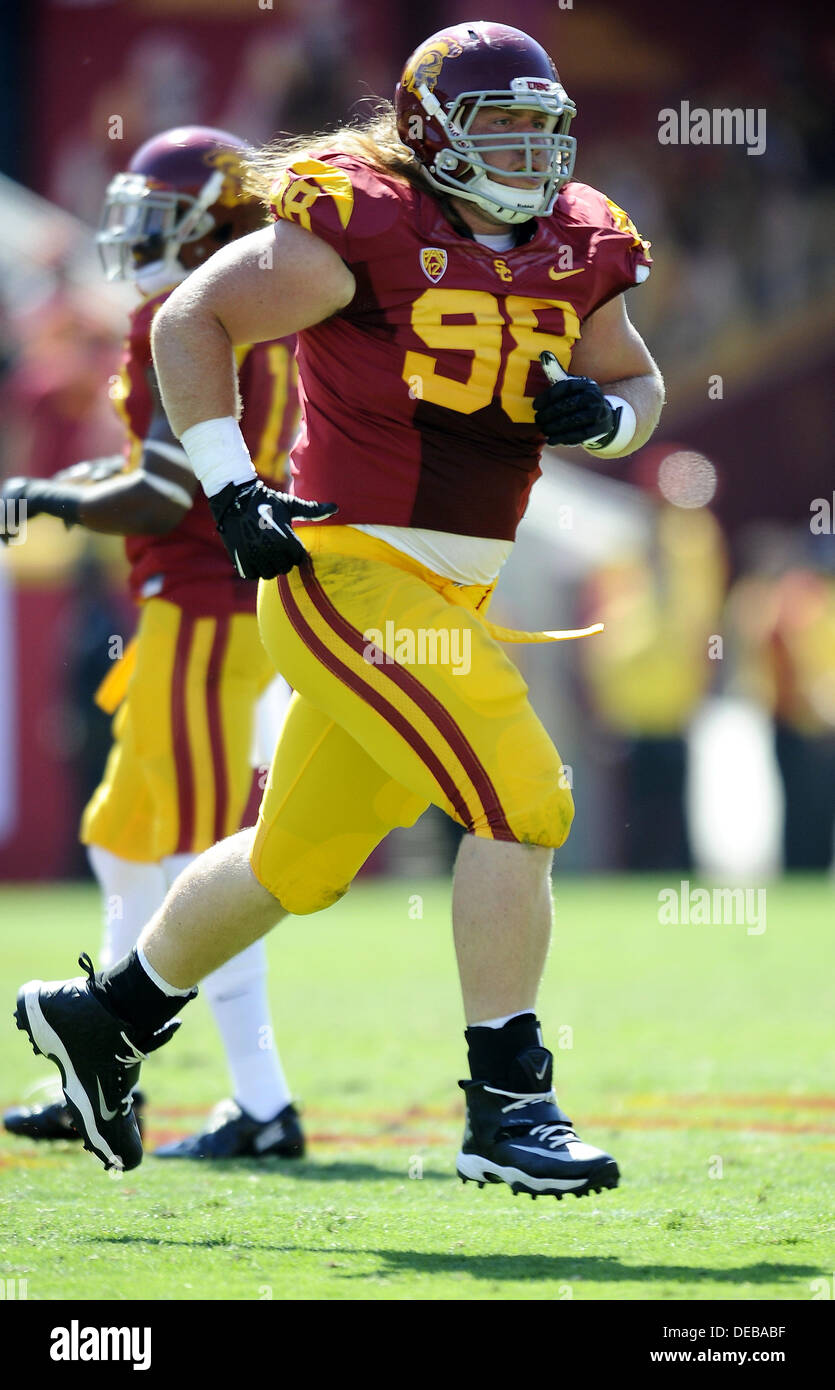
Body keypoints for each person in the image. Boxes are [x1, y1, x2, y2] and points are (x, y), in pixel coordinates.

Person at [14, 23, 663, 1198]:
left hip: (451, 586)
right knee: (525, 798)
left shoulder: (580, 240)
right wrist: (230, 486)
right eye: (497, 126)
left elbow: (635, 376)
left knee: (293, 860)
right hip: (347, 574)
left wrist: (608, 420)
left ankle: (104, 1017)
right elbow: (189, 322)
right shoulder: (368, 223)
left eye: (538, 125)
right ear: (428, 135)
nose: (525, 150)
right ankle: (507, 1105)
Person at [3, 127, 305, 1160]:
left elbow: (164, 491)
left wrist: (50, 494)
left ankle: (263, 1103)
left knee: (190, 856)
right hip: (197, 607)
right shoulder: (261, 318)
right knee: (122, 842)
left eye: (158, 218)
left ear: (216, 222)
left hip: (201, 610)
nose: (135, 239)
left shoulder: (189, 321)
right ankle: (102, 1060)